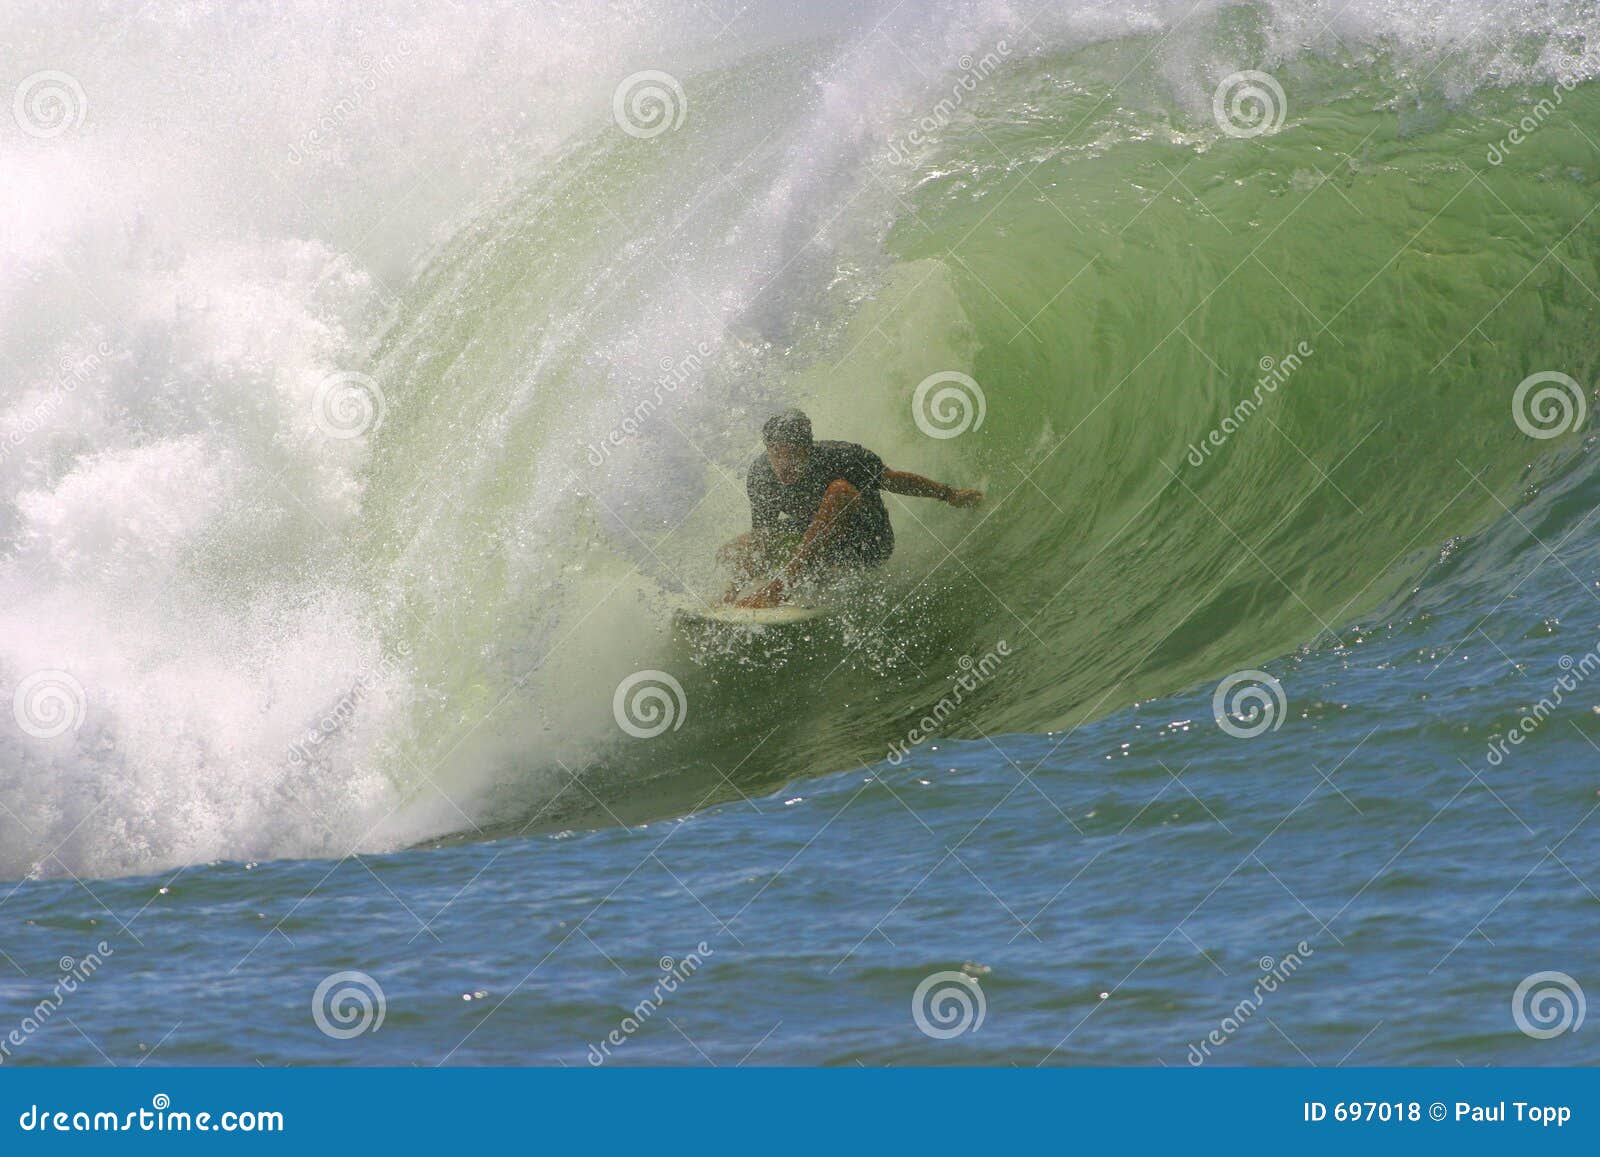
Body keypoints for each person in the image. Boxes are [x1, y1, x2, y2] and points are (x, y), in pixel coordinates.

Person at [719, 409, 984, 607]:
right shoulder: (761, 474)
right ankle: (735, 596)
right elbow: (763, 537)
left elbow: (893, 480)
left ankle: (780, 588)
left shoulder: (843, 457)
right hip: (816, 544)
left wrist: (949, 494)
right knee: (735, 549)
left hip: (866, 542)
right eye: (776, 454)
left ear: (807, 449)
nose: (783, 465)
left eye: (792, 455)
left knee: (839, 491)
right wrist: (734, 590)